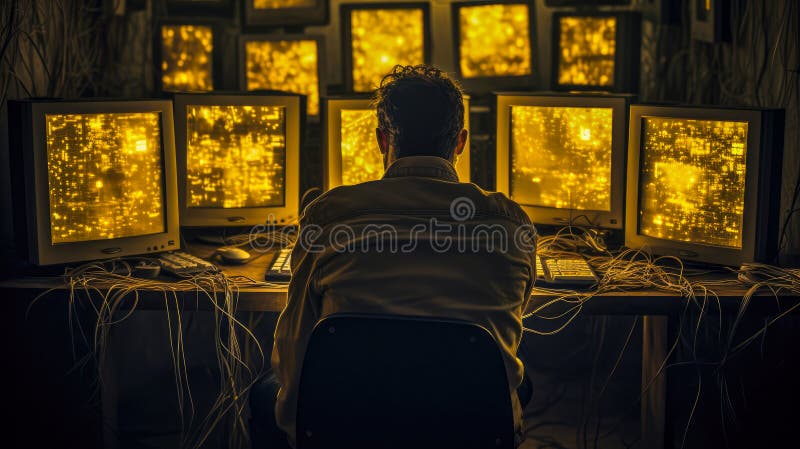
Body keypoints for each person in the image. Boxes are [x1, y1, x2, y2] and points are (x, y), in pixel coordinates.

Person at [251, 64, 537, 448]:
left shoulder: (329, 217)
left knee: (262, 392)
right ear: (461, 142)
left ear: (382, 140)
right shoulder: (511, 226)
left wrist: (299, 431)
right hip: (472, 432)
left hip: (348, 432)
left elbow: (293, 352)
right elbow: (509, 334)